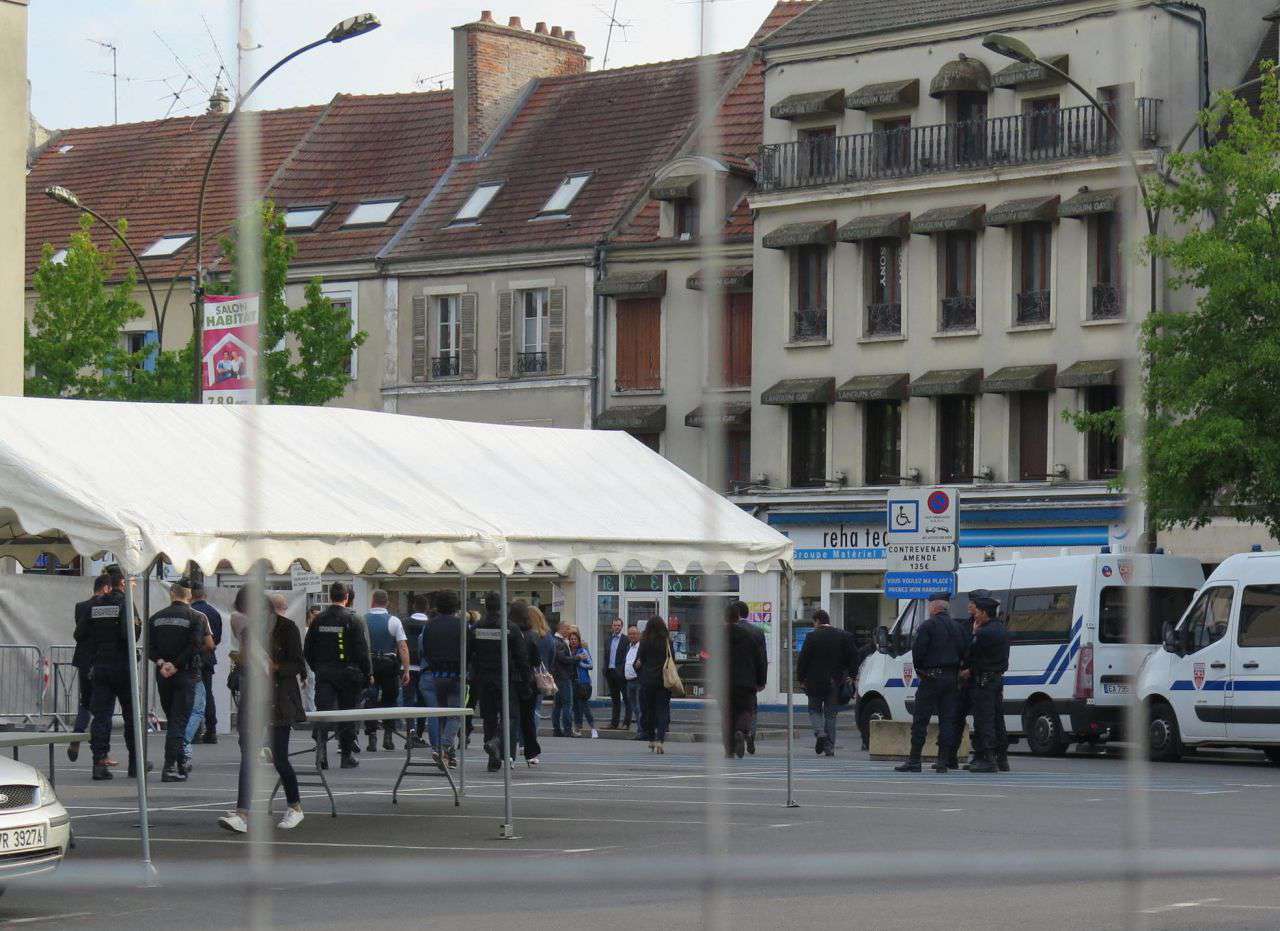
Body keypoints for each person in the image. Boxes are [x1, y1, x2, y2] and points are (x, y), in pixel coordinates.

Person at [219, 593, 307, 833]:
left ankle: (295, 806)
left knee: (279, 757)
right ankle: (242, 814)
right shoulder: (248, 633)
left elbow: (298, 664)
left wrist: (275, 667)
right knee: (248, 756)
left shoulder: (287, 629)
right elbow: (245, 665)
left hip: (280, 700)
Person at [895, 592, 966, 774]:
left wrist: (921, 670)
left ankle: (914, 760)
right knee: (947, 720)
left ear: (934, 606)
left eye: (929, 605)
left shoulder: (928, 626)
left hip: (931, 678)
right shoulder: (958, 627)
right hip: (951, 678)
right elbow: (965, 652)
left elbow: (918, 653)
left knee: (920, 720)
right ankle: (942, 761)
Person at [303, 582, 371, 769]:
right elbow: (362, 651)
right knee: (347, 714)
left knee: (323, 713)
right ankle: (346, 755)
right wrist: (367, 674)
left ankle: (321, 752)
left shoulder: (319, 619)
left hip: (325, 673)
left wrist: (317, 667)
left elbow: (308, 648)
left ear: (330, 597)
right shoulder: (353, 619)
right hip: (349, 674)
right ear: (346, 597)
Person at [147, 582, 204, 782]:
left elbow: (148, 646)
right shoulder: (196, 617)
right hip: (185, 674)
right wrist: (177, 665)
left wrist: (163, 663)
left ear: (172, 593)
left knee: (174, 720)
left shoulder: (156, 618)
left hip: (163, 674)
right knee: (179, 722)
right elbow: (196, 645)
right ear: (189, 595)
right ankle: (170, 767)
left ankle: (180, 763)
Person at [85, 572, 140, 780]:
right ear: (123, 584)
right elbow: (131, 634)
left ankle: (99, 763)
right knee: (131, 716)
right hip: (123, 667)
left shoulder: (95, 605)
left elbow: (81, 633)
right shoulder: (126, 603)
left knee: (101, 717)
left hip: (100, 665)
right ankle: (135, 763)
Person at [471, 593, 529, 771]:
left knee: (489, 717)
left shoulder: (476, 627)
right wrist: (526, 683)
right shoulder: (510, 628)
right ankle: (498, 741)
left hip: (483, 678)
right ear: (502, 607)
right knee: (509, 716)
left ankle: (492, 757)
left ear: (486, 606)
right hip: (505, 678)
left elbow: (469, 652)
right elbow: (521, 658)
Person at [796, 608, 857, 757]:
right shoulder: (843, 636)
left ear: (817, 621)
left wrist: (801, 678)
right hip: (835, 681)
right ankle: (829, 747)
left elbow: (803, 660)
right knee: (831, 715)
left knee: (814, 710)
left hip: (814, 681)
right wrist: (852, 675)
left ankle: (820, 733)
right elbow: (854, 656)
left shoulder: (811, 637)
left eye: (813, 623)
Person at [69, 574, 113, 763]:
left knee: (85, 703)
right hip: (101, 659)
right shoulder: (107, 608)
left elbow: (80, 633)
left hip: (83, 660)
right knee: (104, 709)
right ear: (106, 588)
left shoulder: (81, 607)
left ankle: (76, 738)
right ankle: (101, 753)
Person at [420, 590, 465, 767]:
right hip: (456, 673)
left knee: (437, 714)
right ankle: (446, 745)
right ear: (456, 607)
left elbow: (425, 648)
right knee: (454, 714)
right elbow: (467, 648)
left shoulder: (430, 625)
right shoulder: (461, 625)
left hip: (435, 673)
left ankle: (440, 749)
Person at [966, 596, 1011, 773]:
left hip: (984, 681)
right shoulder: (1001, 629)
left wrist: (973, 633)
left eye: (976, 612)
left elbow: (970, 654)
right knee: (998, 719)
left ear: (984, 612)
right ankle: (1002, 759)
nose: (974, 616)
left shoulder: (983, 633)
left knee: (984, 720)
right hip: (996, 680)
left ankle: (987, 759)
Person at [362, 589, 410, 752]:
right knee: (390, 699)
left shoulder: (363, 620)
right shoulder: (394, 620)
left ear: (372, 601)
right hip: (389, 663)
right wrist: (406, 670)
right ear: (387, 603)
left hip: (370, 663)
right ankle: (388, 736)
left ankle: (372, 737)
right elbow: (402, 646)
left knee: (371, 699)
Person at [723, 602, 768, 759]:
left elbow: (706, 656)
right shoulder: (752, 635)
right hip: (747, 681)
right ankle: (741, 731)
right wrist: (761, 681)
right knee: (745, 710)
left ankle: (729, 749)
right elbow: (760, 659)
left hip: (725, 682)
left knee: (727, 714)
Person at [946, 593, 982, 769]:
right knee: (956, 717)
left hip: (980, 680)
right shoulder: (964, 626)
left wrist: (972, 670)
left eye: (973, 604)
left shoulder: (990, 627)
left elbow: (987, 655)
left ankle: (983, 757)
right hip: (963, 681)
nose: (969, 607)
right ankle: (951, 756)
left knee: (983, 720)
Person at [190, 581, 223, 743]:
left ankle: (195, 731)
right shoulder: (214, 613)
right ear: (205, 595)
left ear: (191, 595)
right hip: (208, 658)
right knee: (207, 694)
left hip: (190, 659)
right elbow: (216, 639)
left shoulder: (190, 611)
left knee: (191, 695)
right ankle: (212, 730)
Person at [634, 616, 673, 753]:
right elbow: (672, 659)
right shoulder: (667, 642)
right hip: (663, 681)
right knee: (662, 711)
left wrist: (640, 670)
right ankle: (660, 740)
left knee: (648, 711)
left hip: (647, 681)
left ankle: (650, 738)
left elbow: (638, 662)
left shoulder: (644, 642)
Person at [511, 601, 543, 765]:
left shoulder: (508, 632)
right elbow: (537, 661)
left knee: (510, 717)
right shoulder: (533, 635)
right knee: (527, 717)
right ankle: (531, 752)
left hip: (510, 679)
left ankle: (508, 753)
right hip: (528, 680)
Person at [402, 594, 432, 746]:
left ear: (413, 606)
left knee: (408, 700)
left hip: (406, 667)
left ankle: (410, 731)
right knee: (423, 702)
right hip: (424, 668)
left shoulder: (405, 623)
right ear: (427, 608)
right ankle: (419, 734)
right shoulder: (430, 624)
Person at [567, 630, 598, 738]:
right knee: (576, 707)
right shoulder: (569, 652)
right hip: (572, 682)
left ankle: (593, 728)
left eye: (575, 639)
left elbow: (590, 665)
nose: (573, 641)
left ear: (579, 640)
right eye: (571, 639)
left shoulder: (583, 651)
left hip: (583, 683)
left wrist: (579, 663)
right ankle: (578, 728)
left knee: (584, 706)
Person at [550, 622, 575, 737]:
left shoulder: (556, 641)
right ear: (561, 629)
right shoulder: (559, 642)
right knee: (566, 704)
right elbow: (563, 659)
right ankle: (567, 730)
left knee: (558, 704)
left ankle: (556, 729)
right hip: (563, 677)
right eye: (567, 628)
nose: (569, 631)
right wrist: (577, 658)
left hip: (557, 676)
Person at [603, 618, 628, 729]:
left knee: (627, 699)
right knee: (615, 699)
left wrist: (622, 670)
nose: (616, 627)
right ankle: (614, 723)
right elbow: (606, 656)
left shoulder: (625, 640)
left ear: (621, 627)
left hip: (621, 673)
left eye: (618, 625)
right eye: (615, 625)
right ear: (612, 626)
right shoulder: (608, 639)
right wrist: (604, 669)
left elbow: (626, 657)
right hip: (610, 672)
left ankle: (626, 723)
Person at [623, 625, 642, 735]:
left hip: (638, 680)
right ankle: (640, 729)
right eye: (630, 634)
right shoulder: (628, 646)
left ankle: (641, 730)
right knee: (634, 707)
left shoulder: (642, 647)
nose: (632, 636)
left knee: (640, 707)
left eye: (634, 634)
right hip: (629, 681)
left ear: (638, 635)